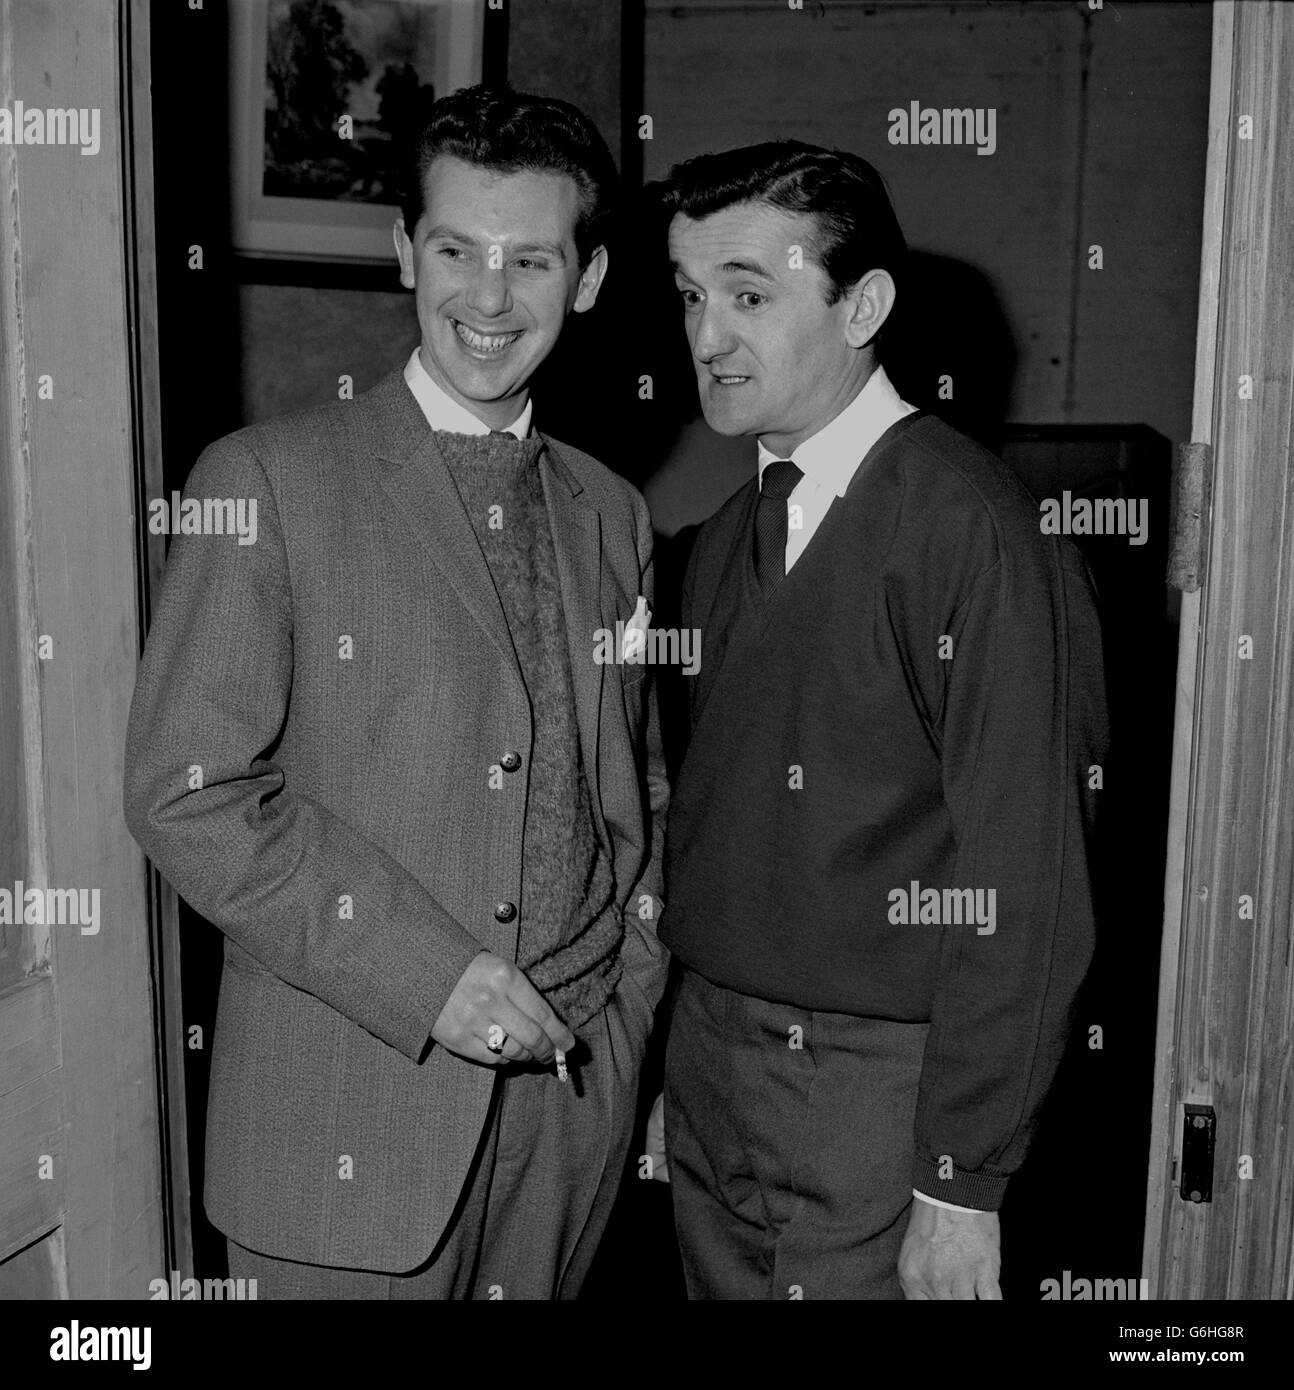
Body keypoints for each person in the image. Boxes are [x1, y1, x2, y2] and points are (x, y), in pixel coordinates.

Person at [124, 85, 668, 1300]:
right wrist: (432, 978)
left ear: (584, 281)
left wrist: (630, 1003)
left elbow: (636, 787)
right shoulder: (265, 478)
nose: (488, 296)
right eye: (456, 250)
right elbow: (187, 795)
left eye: (531, 258)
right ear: (401, 255)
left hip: (570, 1119)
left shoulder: (613, 511)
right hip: (346, 1121)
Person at [647, 139, 1107, 1299]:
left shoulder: (974, 532)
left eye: (749, 295)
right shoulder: (721, 537)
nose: (707, 336)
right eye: (692, 295)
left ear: (863, 307)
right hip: (715, 1073)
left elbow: (1031, 883)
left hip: (878, 1094)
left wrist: (962, 1186)